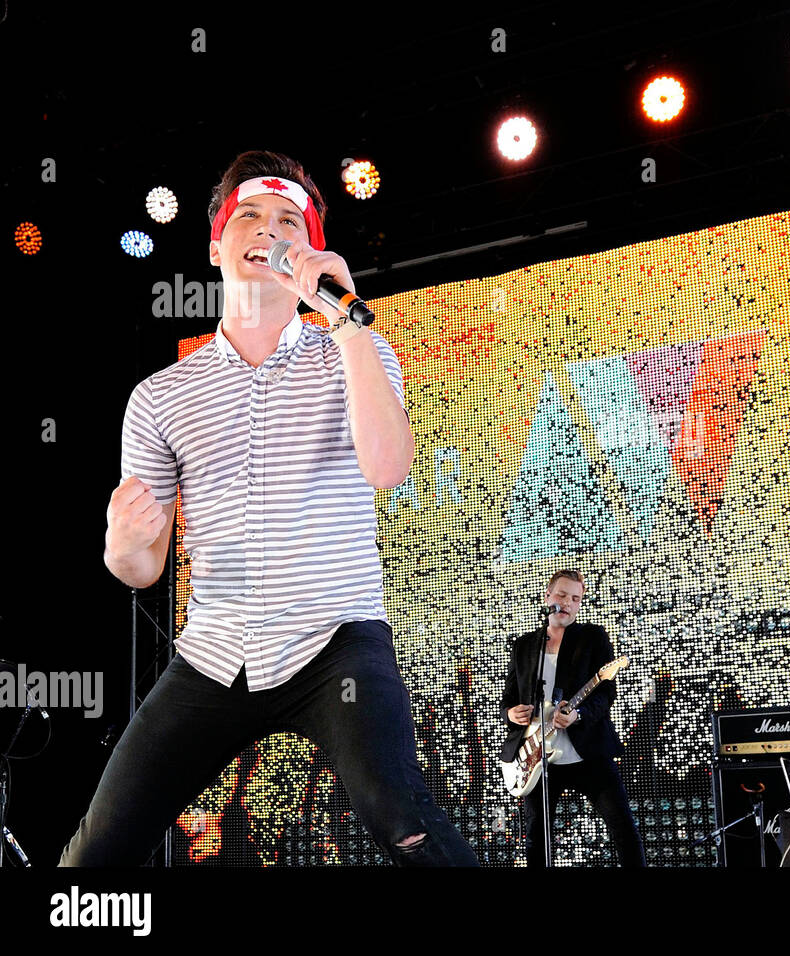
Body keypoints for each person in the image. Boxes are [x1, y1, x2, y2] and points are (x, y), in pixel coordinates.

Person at [60, 150, 477, 866]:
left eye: (291, 221)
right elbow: (139, 569)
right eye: (248, 215)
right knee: (96, 850)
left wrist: (348, 324)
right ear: (216, 245)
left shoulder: (356, 352)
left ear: (309, 252)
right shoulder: (159, 398)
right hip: (215, 652)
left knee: (400, 815)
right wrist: (121, 545)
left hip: (335, 638)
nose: (268, 228)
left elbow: (387, 467)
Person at [500, 570, 645, 866]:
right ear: (547, 598)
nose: (568, 603)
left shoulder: (592, 638)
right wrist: (511, 713)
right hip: (537, 756)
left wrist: (578, 714)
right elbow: (508, 699)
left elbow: (605, 695)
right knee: (535, 837)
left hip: (587, 750)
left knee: (623, 828)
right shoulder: (525, 645)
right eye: (562, 595)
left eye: (575, 598)